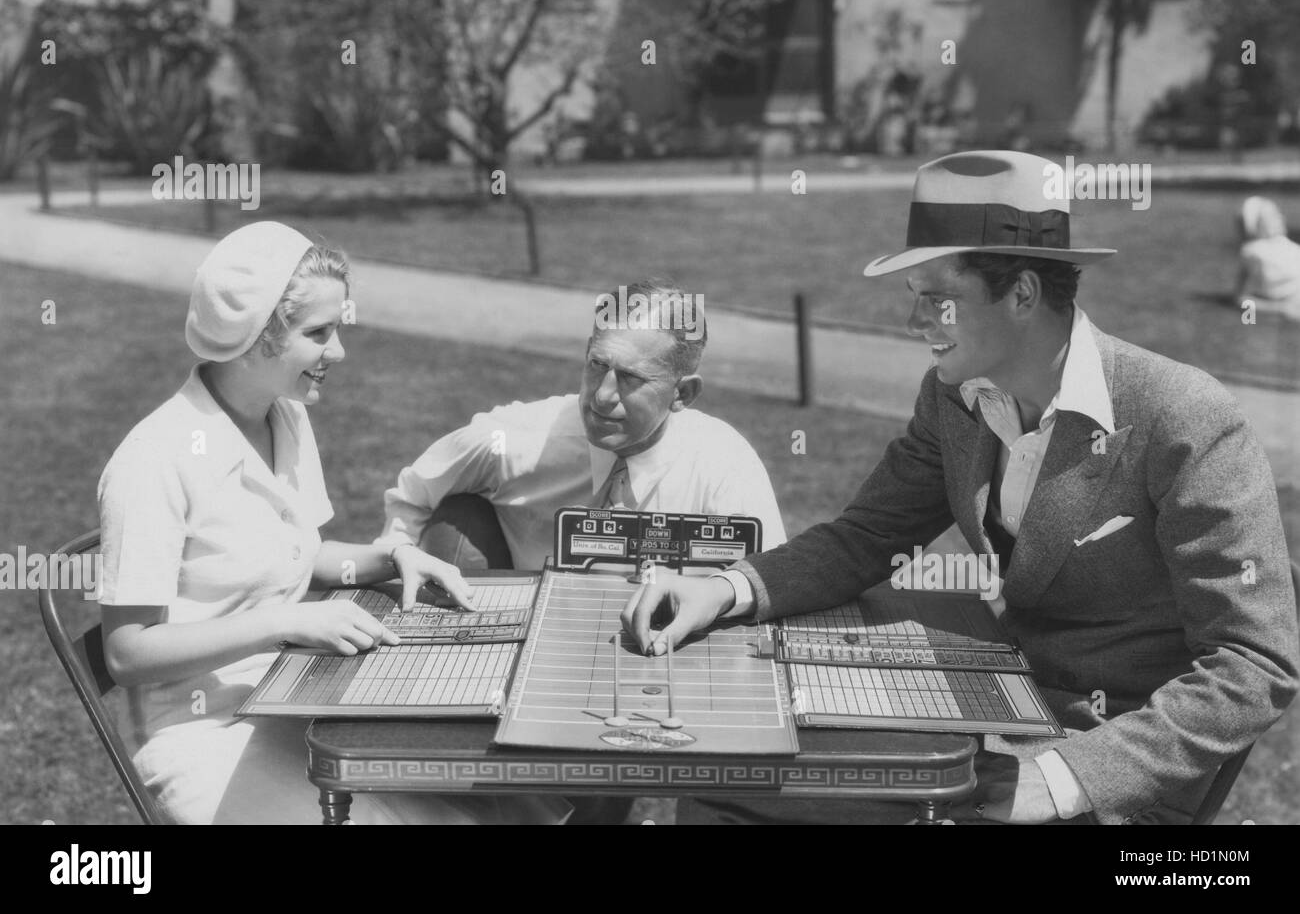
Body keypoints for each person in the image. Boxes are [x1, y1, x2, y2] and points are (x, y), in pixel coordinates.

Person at [623, 151, 1300, 826]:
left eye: (936, 298)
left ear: (1023, 293)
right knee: (724, 780)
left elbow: (1254, 664)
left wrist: (1061, 778)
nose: (917, 321)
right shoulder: (955, 398)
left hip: (1112, 780)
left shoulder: (1183, 417)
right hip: (982, 724)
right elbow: (865, 536)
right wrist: (725, 587)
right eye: (913, 297)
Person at [97, 222, 568, 825]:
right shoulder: (154, 459)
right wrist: (285, 621)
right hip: (202, 731)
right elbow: (128, 654)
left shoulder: (285, 418)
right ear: (254, 337)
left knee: (485, 800)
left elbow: (301, 553)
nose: (339, 351)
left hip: (293, 694)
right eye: (318, 333)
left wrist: (389, 558)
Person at [375, 280, 786, 571]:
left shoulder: (724, 464)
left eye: (630, 378)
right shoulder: (511, 442)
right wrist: (399, 560)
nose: (602, 396)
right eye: (597, 365)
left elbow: (766, 581)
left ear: (683, 394)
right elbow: (413, 499)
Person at [1235, 195, 1300, 321]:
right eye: (1272, 216)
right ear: (1257, 223)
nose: (1281, 218)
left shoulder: (1285, 244)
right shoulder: (1254, 251)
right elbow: (1241, 298)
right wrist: (1280, 308)